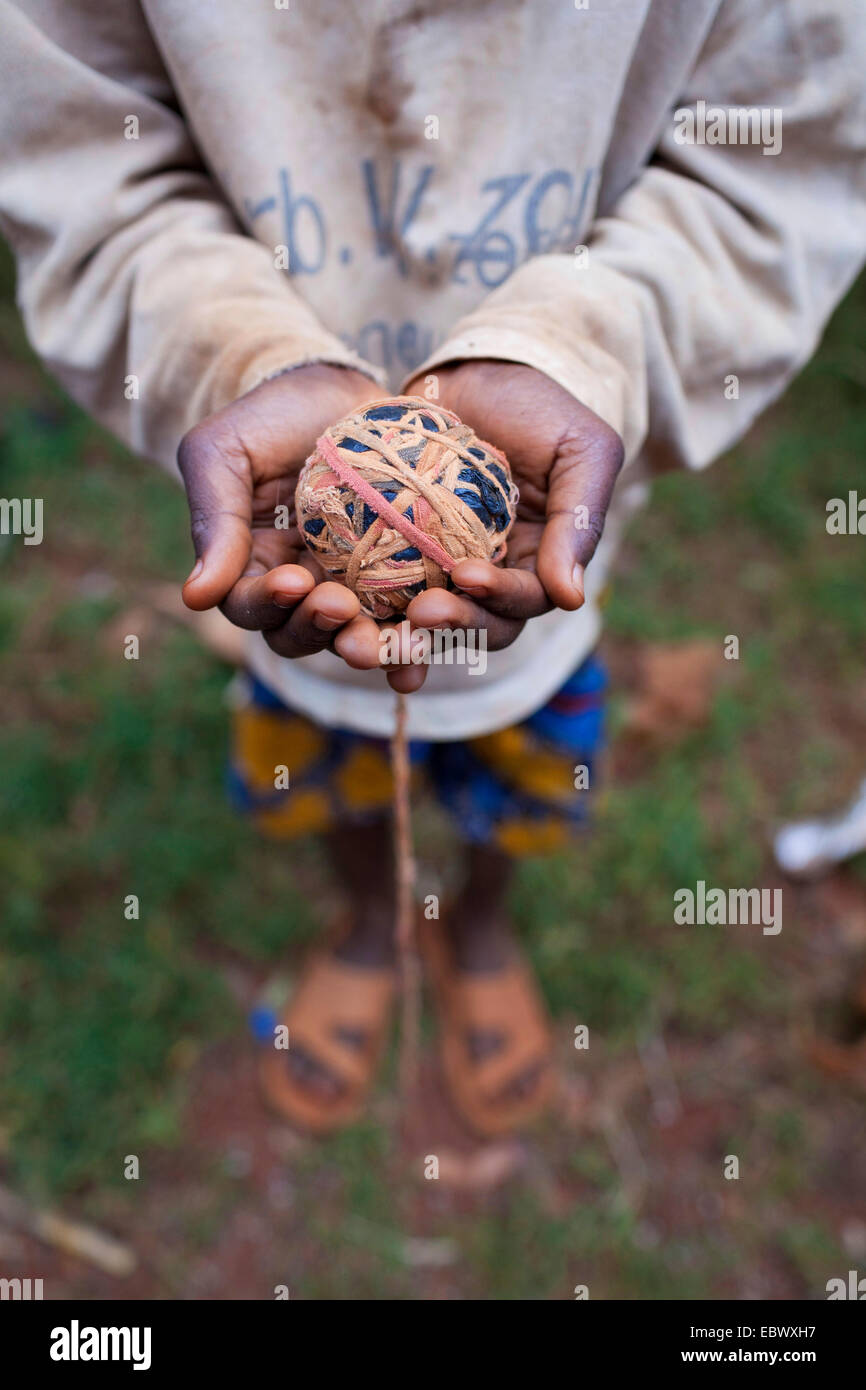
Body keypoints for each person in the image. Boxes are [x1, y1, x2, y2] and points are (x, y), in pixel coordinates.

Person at [2, 0, 864, 1135]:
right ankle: (368, 918)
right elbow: (78, 157)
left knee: (525, 775)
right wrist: (242, 356)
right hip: (295, 561)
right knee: (324, 766)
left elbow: (772, 171)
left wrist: (576, 355)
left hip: (541, 559)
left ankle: (480, 923)